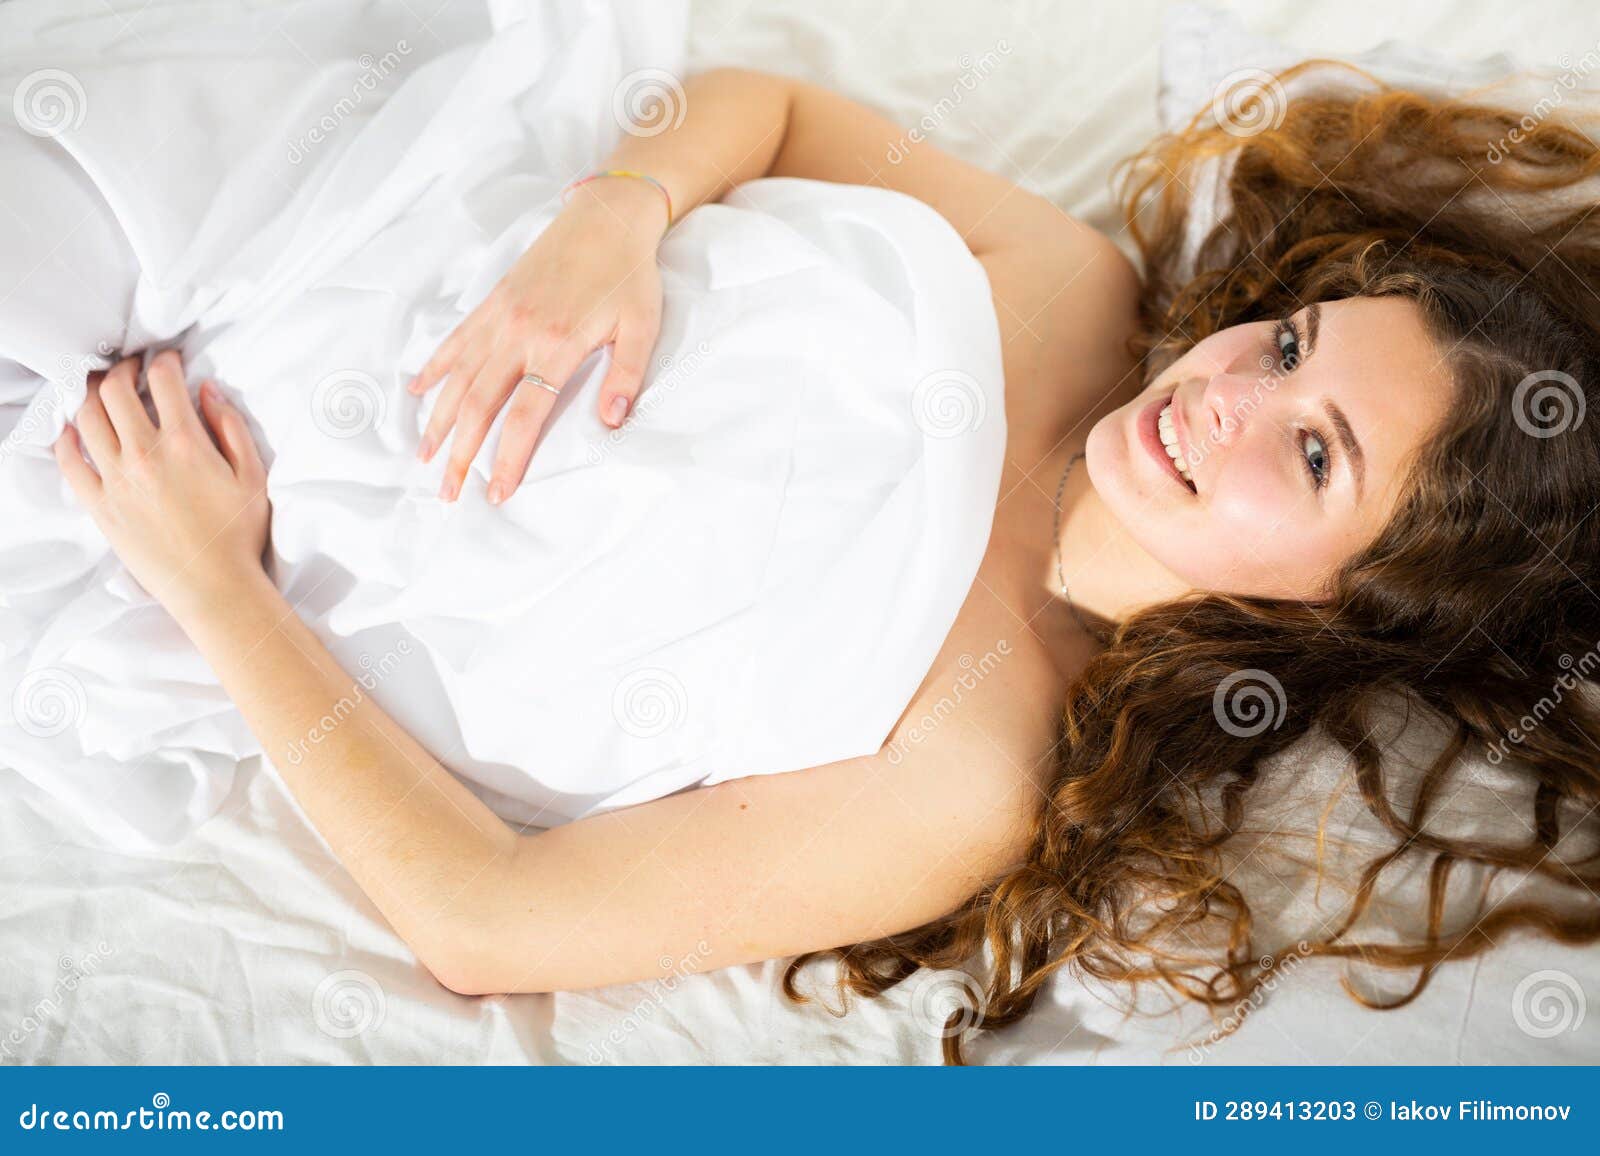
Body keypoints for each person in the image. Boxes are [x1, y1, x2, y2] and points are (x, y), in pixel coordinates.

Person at [53, 66, 1600, 1062]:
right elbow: (773, 112)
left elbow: (488, 919)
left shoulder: (970, 778)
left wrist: (211, 581)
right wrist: (619, 211)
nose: (1228, 398)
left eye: (1314, 451)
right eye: (1284, 343)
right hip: (357, 221)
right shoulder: (1073, 288)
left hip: (202, 508)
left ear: (1347, 607)